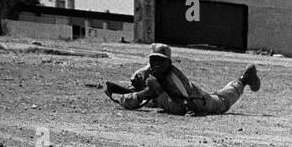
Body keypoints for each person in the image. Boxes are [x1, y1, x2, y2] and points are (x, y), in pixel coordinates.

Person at [105, 43, 260, 116]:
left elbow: (190, 106)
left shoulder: (175, 79)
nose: (157, 65)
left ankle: (244, 80)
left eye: (161, 61)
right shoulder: (142, 74)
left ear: (169, 63)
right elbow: (128, 97)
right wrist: (144, 93)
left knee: (221, 102)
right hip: (174, 96)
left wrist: (152, 93)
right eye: (154, 60)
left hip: (197, 97)